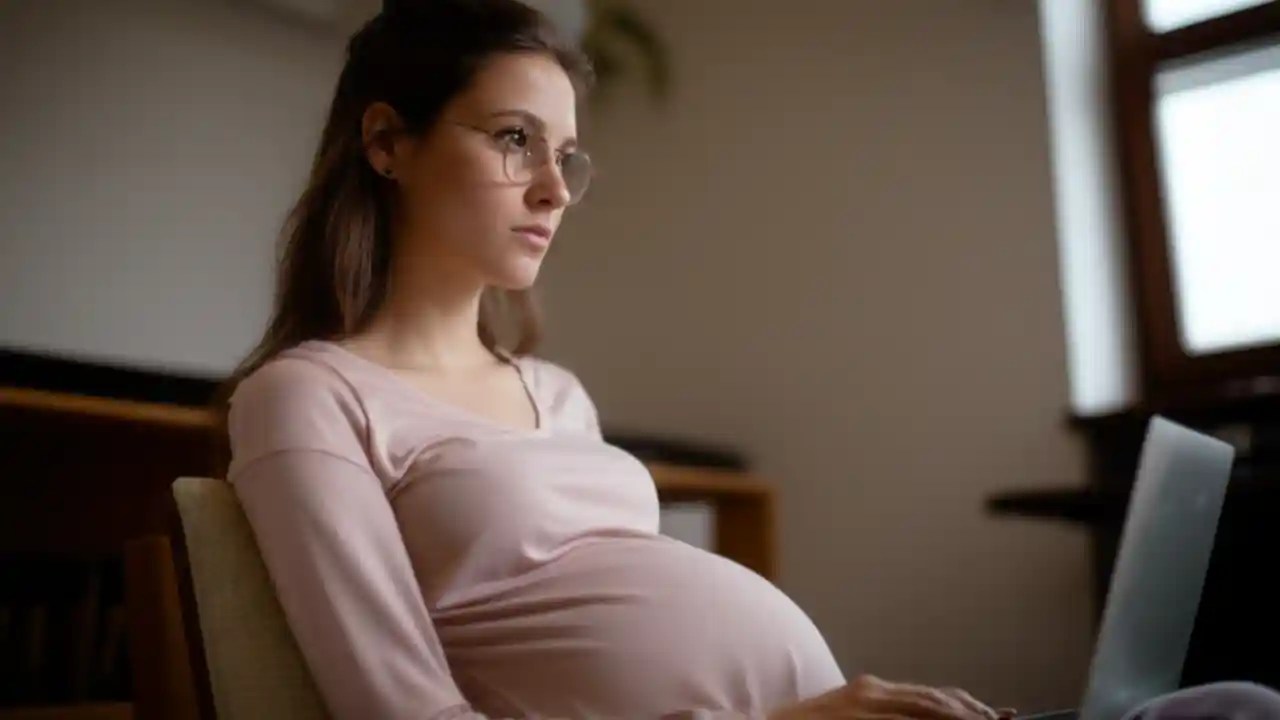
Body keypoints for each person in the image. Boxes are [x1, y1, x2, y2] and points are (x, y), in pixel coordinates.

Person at [216, 1, 1015, 718]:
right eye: (514, 139)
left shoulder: (559, 394)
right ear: (387, 142)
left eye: (565, 155)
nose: (555, 189)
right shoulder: (307, 396)